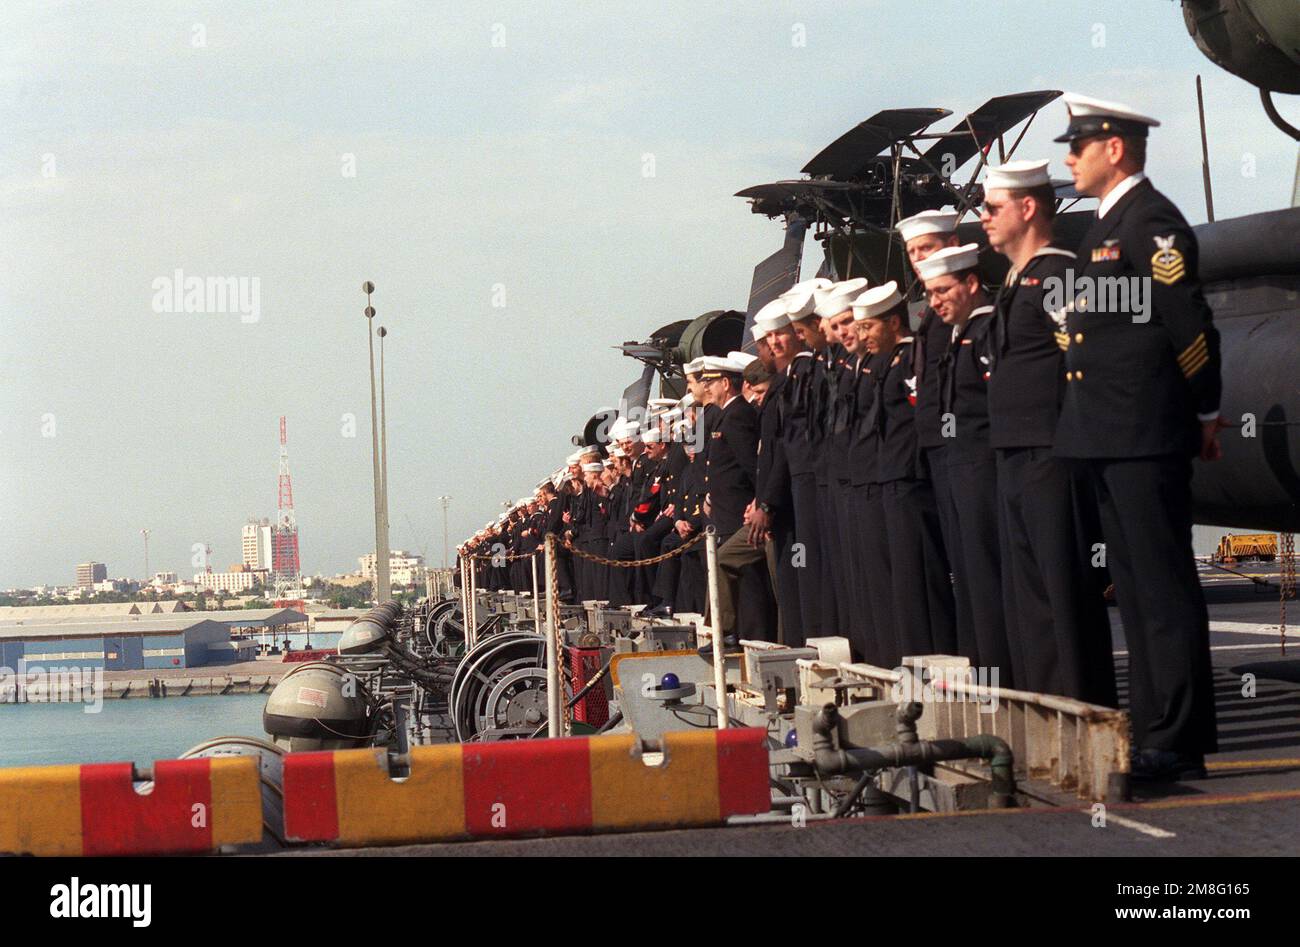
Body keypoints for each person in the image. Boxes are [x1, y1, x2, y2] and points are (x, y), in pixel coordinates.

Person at [1053, 93, 1223, 781]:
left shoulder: (1151, 223)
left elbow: (1189, 327)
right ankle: (1155, 730)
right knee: (1135, 588)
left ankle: (1178, 740)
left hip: (1144, 432)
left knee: (1163, 588)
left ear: (1113, 148)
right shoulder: (1102, 228)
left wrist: (1205, 412)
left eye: (1079, 144)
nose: (1070, 156)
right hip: (1107, 432)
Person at [981, 158, 1117, 705]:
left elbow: (1090, 365)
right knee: (1031, 603)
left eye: (993, 209)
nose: (985, 218)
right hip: (1016, 457)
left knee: (1063, 597)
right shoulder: (1019, 282)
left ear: (1028, 207)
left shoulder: (1058, 275)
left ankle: (1084, 719)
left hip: (1051, 458)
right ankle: (1047, 719)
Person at [916, 242, 1013, 682]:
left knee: (989, 581)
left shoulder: (985, 329)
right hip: (959, 467)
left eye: (942, 290)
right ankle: (984, 677)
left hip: (983, 469)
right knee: (972, 582)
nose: (935, 301)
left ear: (970, 283)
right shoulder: (957, 335)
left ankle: (1001, 680)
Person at [855, 281, 957, 664]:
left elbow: (924, 416)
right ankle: (910, 659)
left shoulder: (909, 358)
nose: (862, 336)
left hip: (912, 479)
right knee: (903, 581)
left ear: (893, 322)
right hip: (891, 477)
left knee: (922, 578)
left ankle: (935, 659)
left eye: (869, 327)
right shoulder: (883, 364)